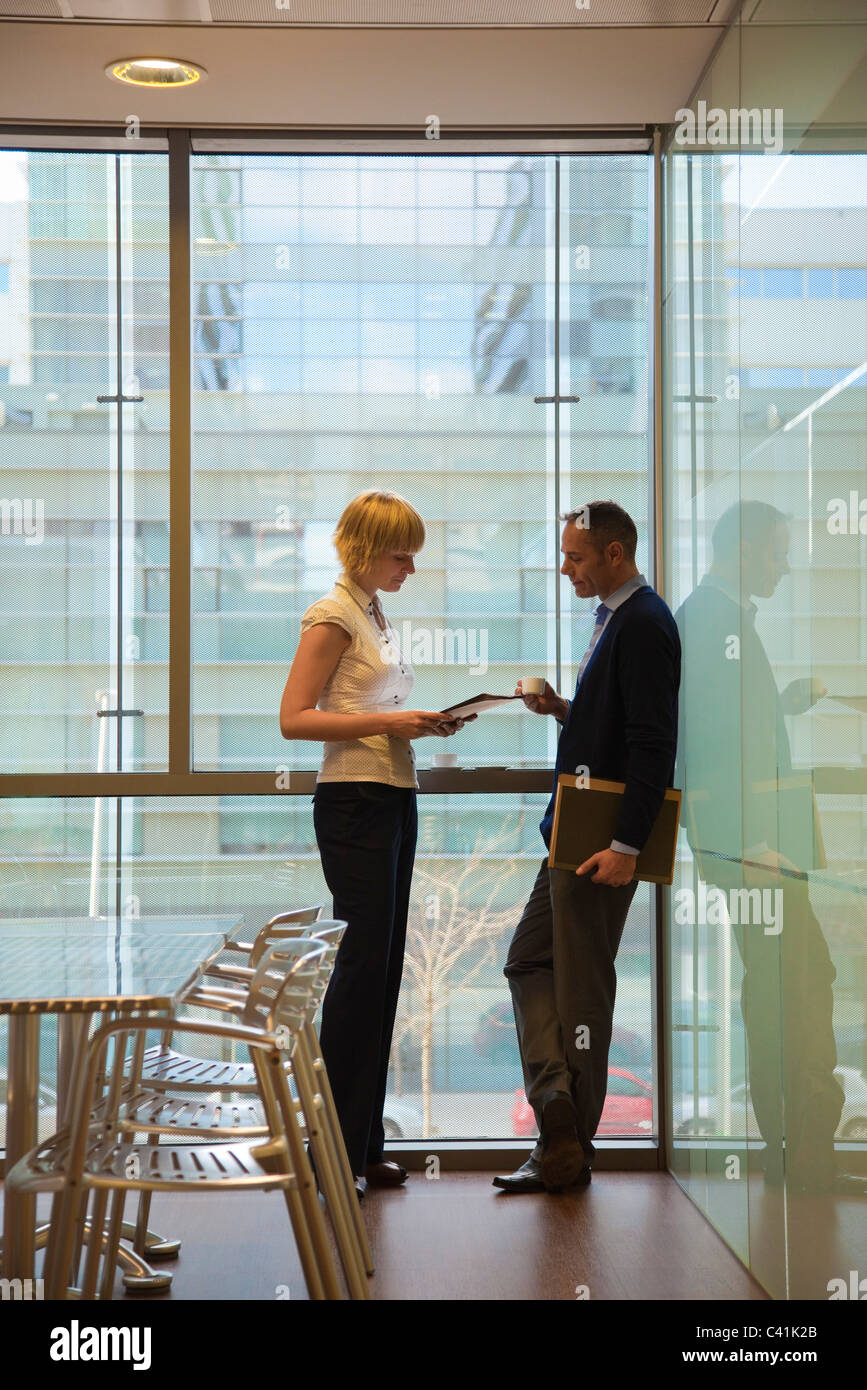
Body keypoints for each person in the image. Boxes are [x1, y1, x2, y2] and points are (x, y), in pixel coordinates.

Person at [280, 490, 469, 1198]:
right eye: (402, 554)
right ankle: (330, 1152)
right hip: (355, 802)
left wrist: (415, 724)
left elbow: (369, 710)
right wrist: (391, 726)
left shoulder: (372, 615)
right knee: (359, 976)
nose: (411, 568)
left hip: (389, 796)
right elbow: (294, 720)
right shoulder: (332, 616)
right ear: (365, 550)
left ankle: (358, 1141)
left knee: (383, 971)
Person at [674, 500, 864, 1198]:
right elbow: (709, 739)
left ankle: (793, 1151)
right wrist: (750, 839)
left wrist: (782, 702)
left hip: (748, 843)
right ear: (745, 548)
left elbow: (732, 721)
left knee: (787, 986)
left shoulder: (716, 619)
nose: (786, 565)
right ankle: (804, 1154)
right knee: (798, 987)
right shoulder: (713, 620)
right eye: (777, 551)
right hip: (750, 848)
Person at [495, 500, 681, 1193]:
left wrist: (628, 844)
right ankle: (559, 1122)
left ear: (613, 553)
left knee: (582, 994)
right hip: (571, 836)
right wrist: (562, 710)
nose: (564, 568)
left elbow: (653, 743)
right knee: (528, 963)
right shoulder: (616, 622)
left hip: (601, 842)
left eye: (575, 556)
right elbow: (614, 722)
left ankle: (565, 1144)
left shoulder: (642, 623)